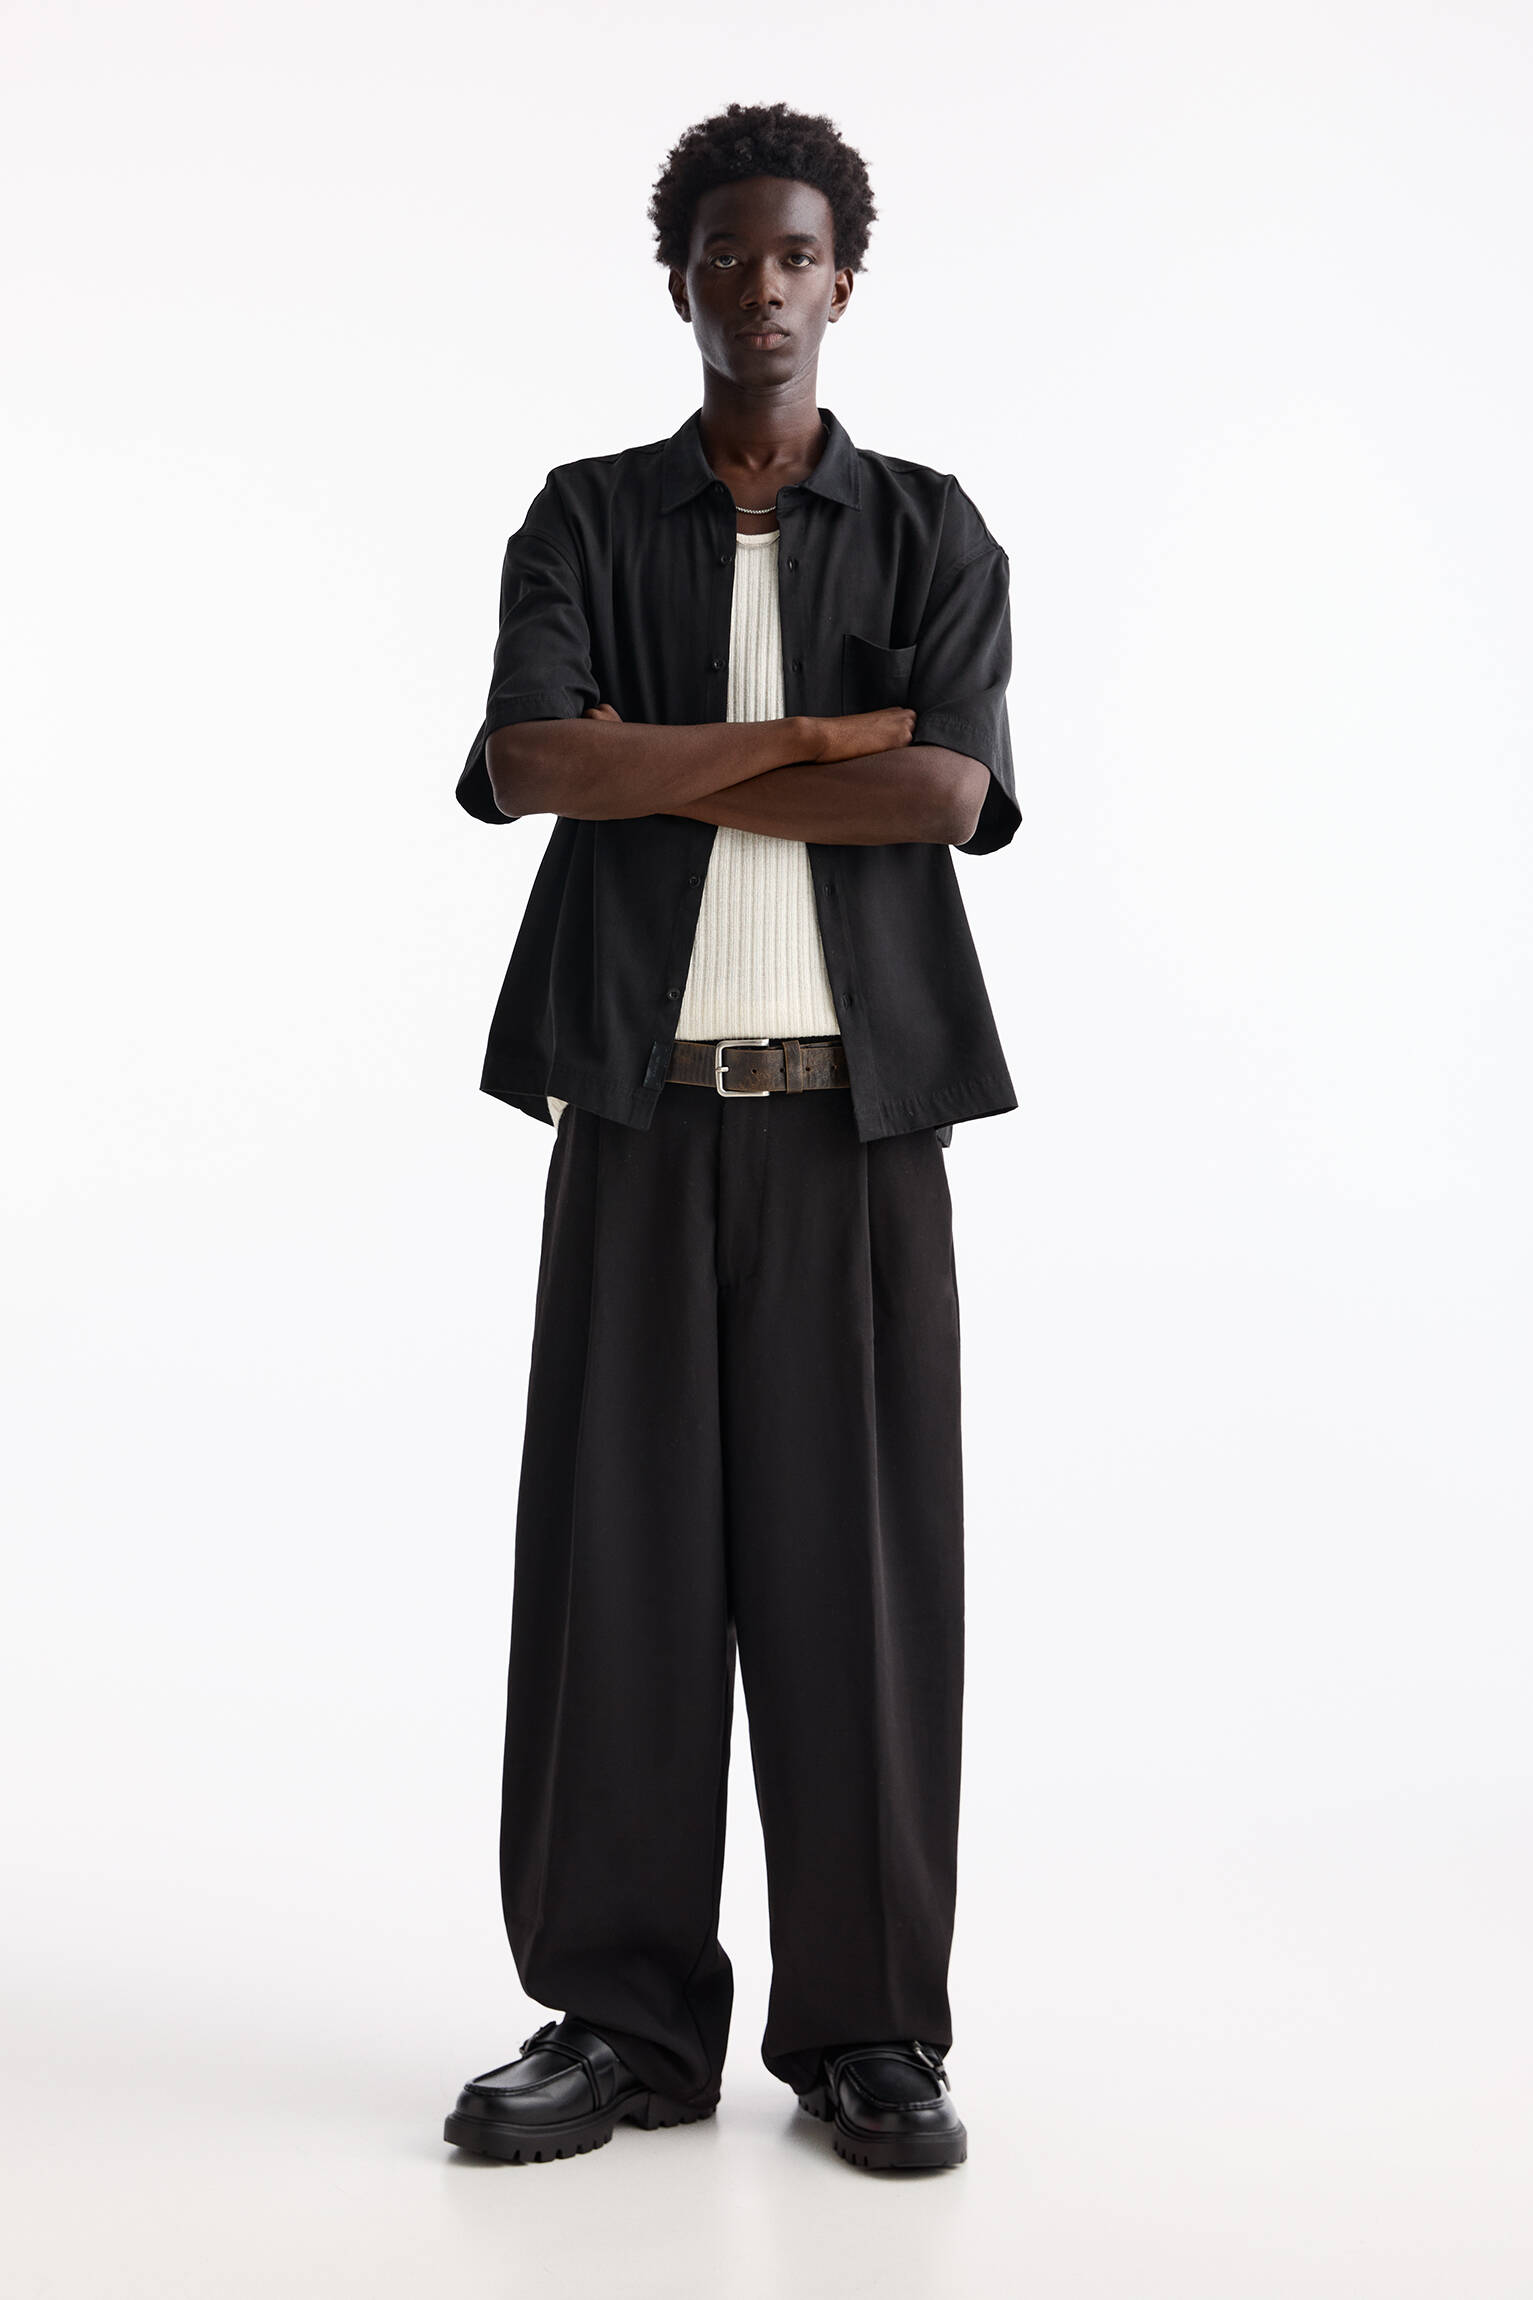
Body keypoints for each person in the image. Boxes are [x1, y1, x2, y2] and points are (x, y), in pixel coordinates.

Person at [443, 101, 1019, 2175]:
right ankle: (616, 2024)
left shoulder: (929, 530)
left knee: (857, 1584)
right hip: (635, 1109)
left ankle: (868, 2032)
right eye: (722, 254)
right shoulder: (587, 519)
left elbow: (945, 798)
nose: (758, 287)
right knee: (618, 1574)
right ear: (676, 279)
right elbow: (533, 761)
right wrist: (813, 738)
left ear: (840, 280)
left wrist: (667, 761)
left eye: (792, 255)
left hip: (856, 1130)